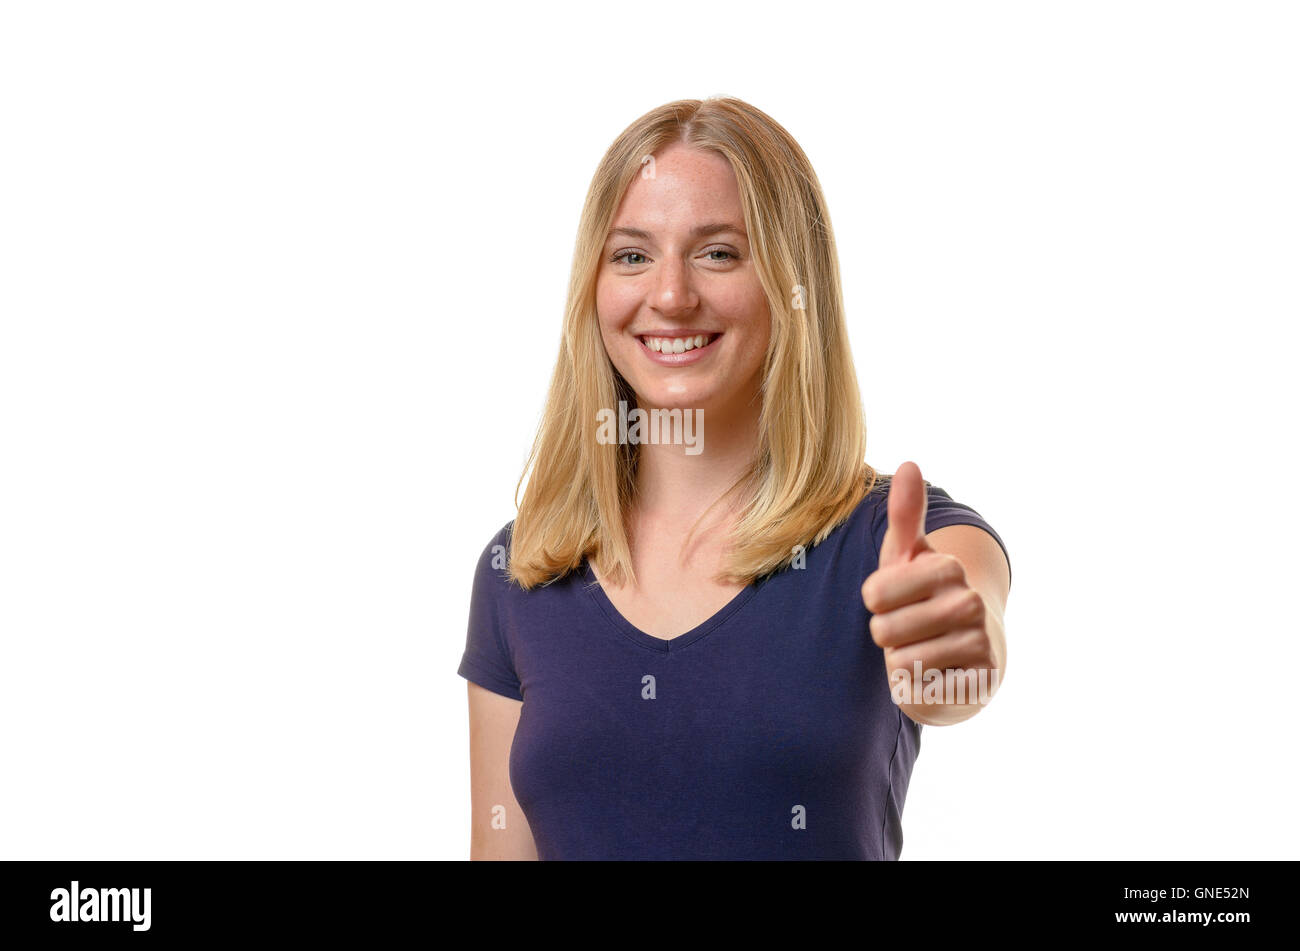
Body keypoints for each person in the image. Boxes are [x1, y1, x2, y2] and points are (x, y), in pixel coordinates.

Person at [458, 96, 1012, 860]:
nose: (671, 295)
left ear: (791, 284)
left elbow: (959, 655)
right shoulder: (520, 570)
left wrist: (951, 657)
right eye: (631, 255)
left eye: (719, 252)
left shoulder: (892, 540)